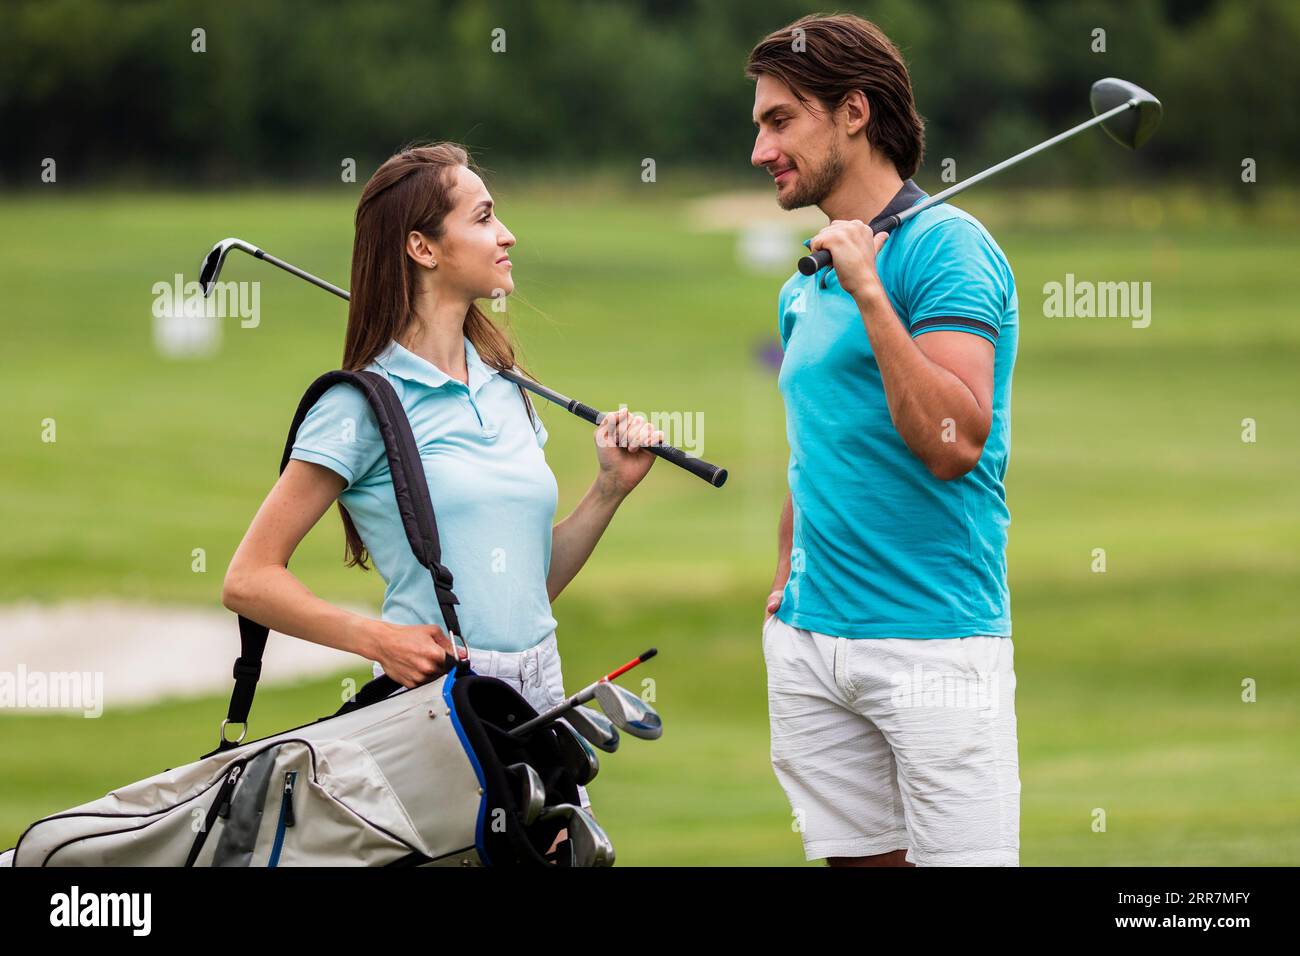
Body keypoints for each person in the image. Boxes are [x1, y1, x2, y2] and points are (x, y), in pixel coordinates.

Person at [221, 143, 664, 819]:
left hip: (541, 684)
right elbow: (248, 578)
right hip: (433, 701)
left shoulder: (507, 386)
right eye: (484, 217)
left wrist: (609, 489)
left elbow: (523, 585)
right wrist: (375, 640)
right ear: (423, 249)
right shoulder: (359, 405)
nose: (506, 233)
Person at [747, 15, 1021, 866]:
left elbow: (951, 442)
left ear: (854, 113)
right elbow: (819, 438)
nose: (760, 150)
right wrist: (790, 570)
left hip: (931, 642)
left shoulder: (947, 250)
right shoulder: (810, 277)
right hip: (811, 638)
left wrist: (872, 291)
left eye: (780, 120)